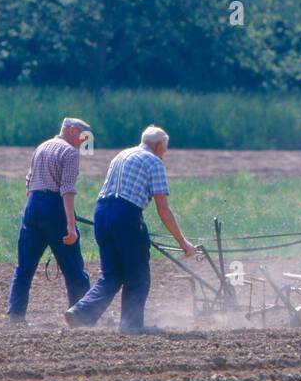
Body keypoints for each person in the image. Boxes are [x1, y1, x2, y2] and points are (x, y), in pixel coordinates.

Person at [64, 126, 202, 332]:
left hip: (101, 213)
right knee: (137, 274)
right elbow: (163, 209)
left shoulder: (121, 155)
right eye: (164, 149)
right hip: (126, 215)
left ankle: (80, 313)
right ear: (158, 146)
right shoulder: (154, 162)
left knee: (111, 275)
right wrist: (183, 243)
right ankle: (132, 325)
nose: (164, 154)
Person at [6, 117, 92, 323]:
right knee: (73, 267)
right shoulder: (70, 152)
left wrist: (37, 208)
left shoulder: (42, 147)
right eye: (83, 137)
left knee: (24, 267)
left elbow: (29, 181)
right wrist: (71, 226)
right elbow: (67, 189)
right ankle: (83, 314)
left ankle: (16, 316)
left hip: (32, 207)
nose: (84, 142)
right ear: (72, 131)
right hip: (54, 207)